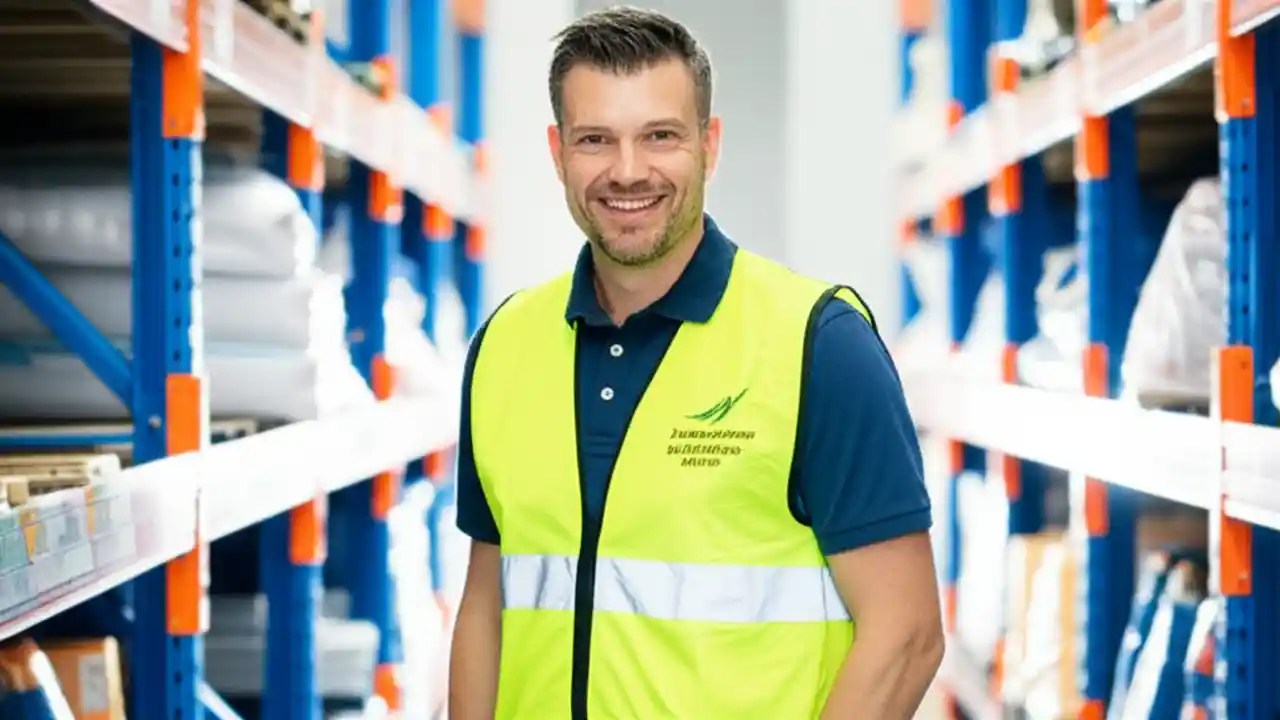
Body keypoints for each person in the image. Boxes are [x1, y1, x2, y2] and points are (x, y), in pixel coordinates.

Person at [448, 6, 943, 719]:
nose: (627, 171)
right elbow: (487, 605)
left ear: (709, 146)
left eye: (660, 137)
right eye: (596, 140)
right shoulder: (504, 345)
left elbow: (908, 634)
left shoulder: (817, 343)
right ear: (557, 152)